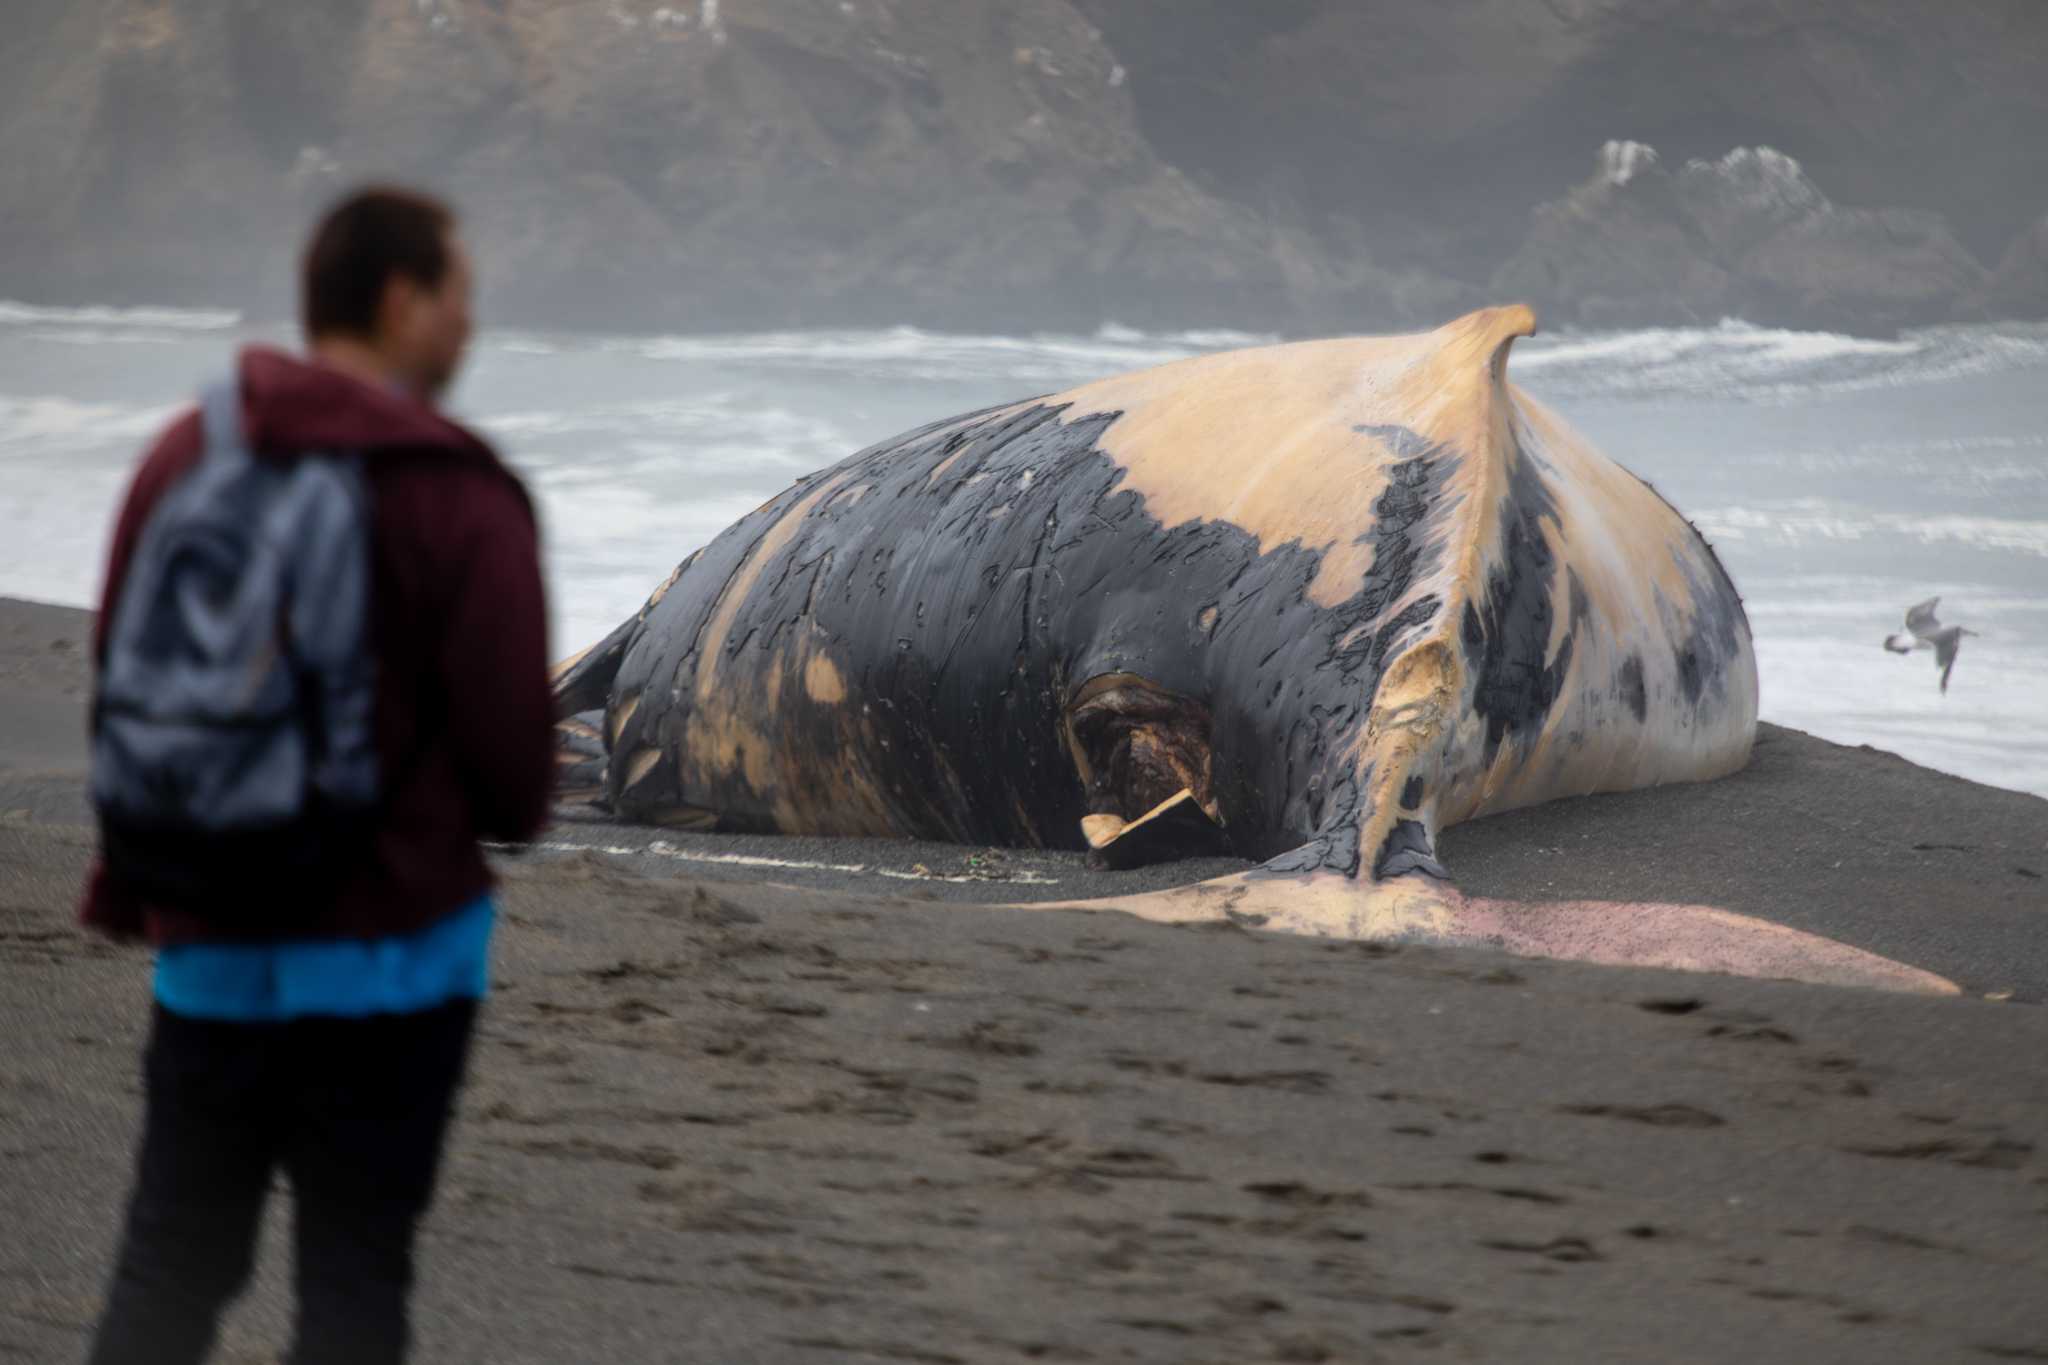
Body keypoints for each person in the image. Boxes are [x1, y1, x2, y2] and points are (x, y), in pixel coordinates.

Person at [82, 185, 554, 1364]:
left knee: (171, 1264)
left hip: (212, 945)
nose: (467, 326)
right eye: (457, 299)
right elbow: (514, 784)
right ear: (400, 302)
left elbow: (122, 686)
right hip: (394, 964)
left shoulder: (186, 456)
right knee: (353, 1278)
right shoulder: (457, 492)